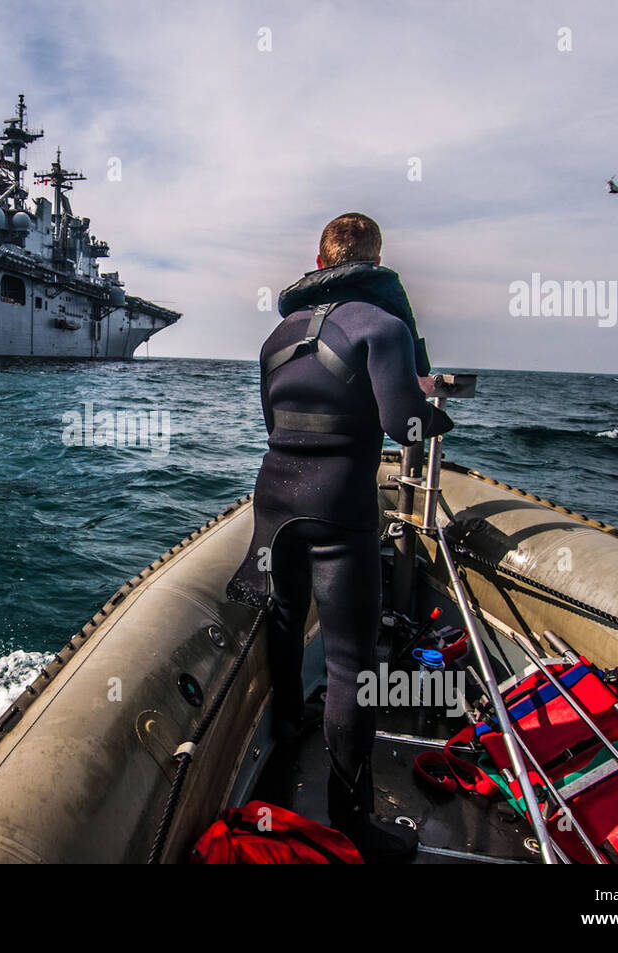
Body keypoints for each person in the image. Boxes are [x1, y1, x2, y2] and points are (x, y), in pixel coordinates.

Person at [227, 212, 453, 862]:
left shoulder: (275, 334)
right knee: (351, 666)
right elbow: (405, 424)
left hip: (273, 501)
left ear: (318, 260)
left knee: (284, 615)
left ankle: (289, 721)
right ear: (376, 262)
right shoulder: (384, 327)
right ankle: (352, 821)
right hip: (338, 506)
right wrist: (434, 403)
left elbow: (278, 418)